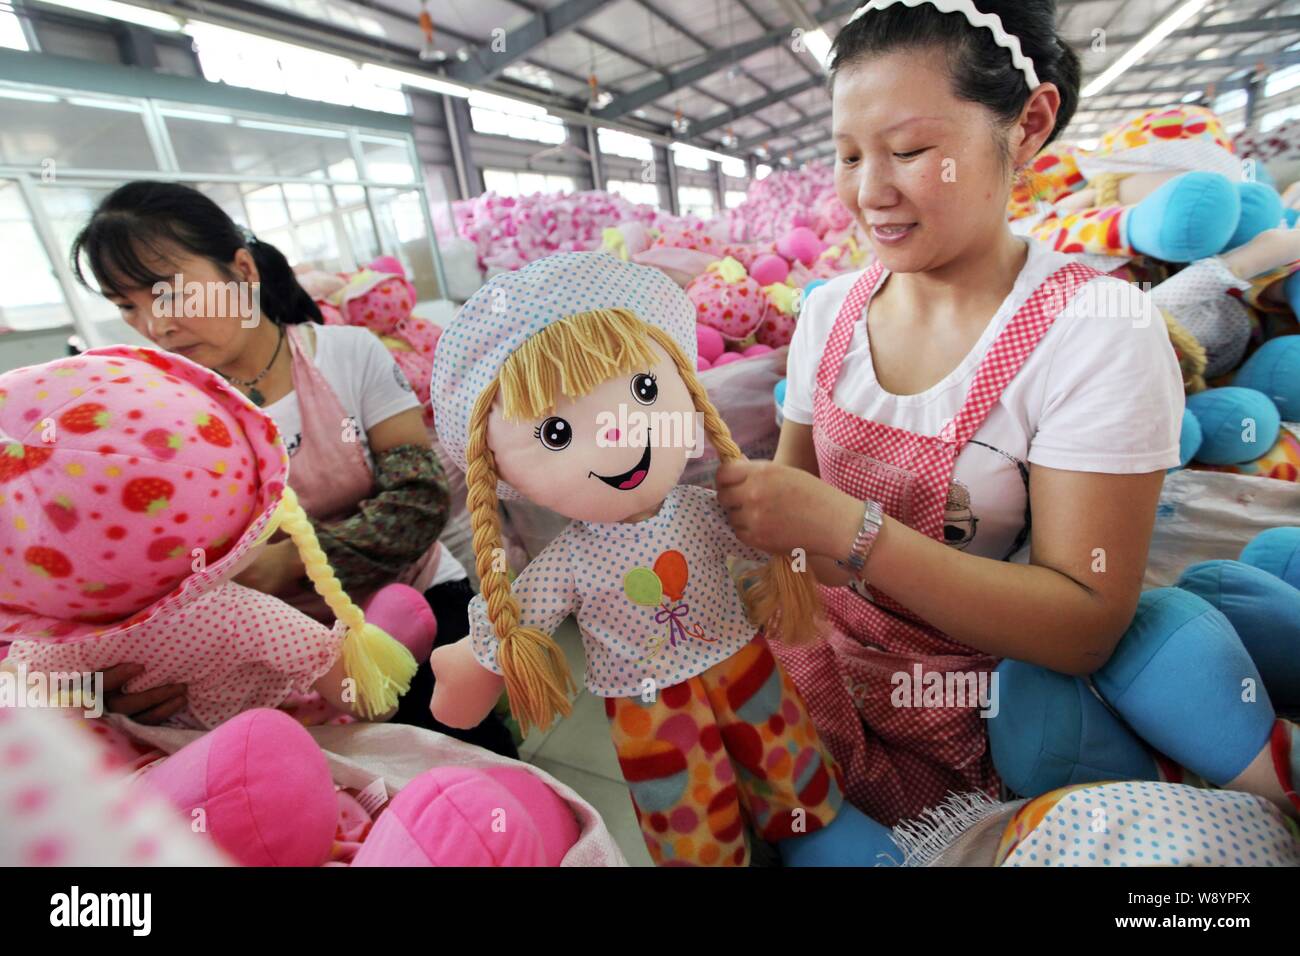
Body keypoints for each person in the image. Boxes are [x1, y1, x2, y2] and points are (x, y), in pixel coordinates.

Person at [714, 0, 1185, 824]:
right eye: (848, 154)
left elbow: (1082, 627)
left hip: (968, 712)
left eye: (909, 150)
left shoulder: (1093, 333)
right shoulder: (828, 314)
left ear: (1029, 124)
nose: (869, 192)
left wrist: (853, 533)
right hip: (813, 669)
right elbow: (788, 531)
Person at [69, 181, 516, 756]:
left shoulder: (348, 354)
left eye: (169, 293)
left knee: (469, 759)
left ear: (242, 271)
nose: (156, 327)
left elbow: (418, 499)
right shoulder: (157, 414)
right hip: (265, 658)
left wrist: (292, 565)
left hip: (413, 602)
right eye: (126, 306)